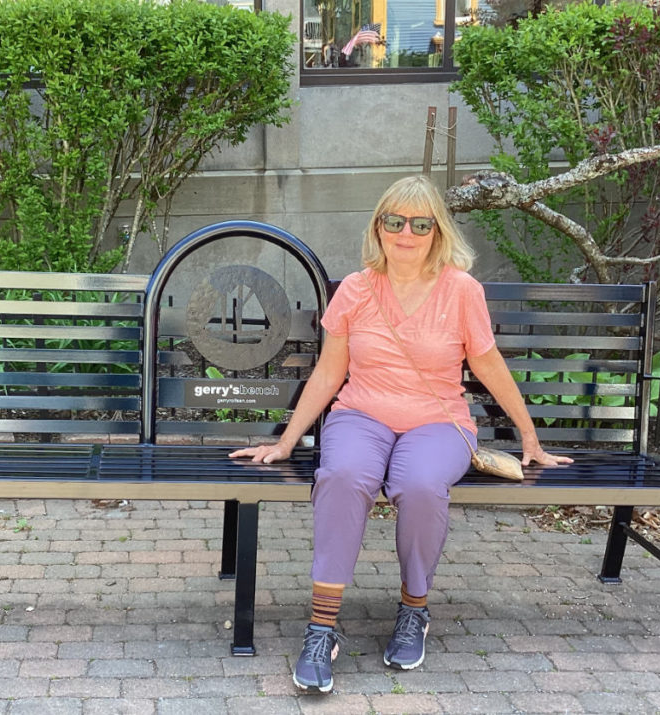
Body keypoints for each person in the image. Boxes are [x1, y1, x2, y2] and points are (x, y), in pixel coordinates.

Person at [229, 175, 572, 693]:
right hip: (361, 415)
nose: (405, 233)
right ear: (378, 227)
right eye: (394, 221)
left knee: (418, 485)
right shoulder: (356, 289)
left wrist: (530, 437)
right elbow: (328, 372)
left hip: (439, 422)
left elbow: (489, 366)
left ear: (437, 230)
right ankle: (322, 627)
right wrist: (285, 441)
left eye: (419, 223)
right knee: (342, 475)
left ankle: (415, 609)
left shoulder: (461, 291)